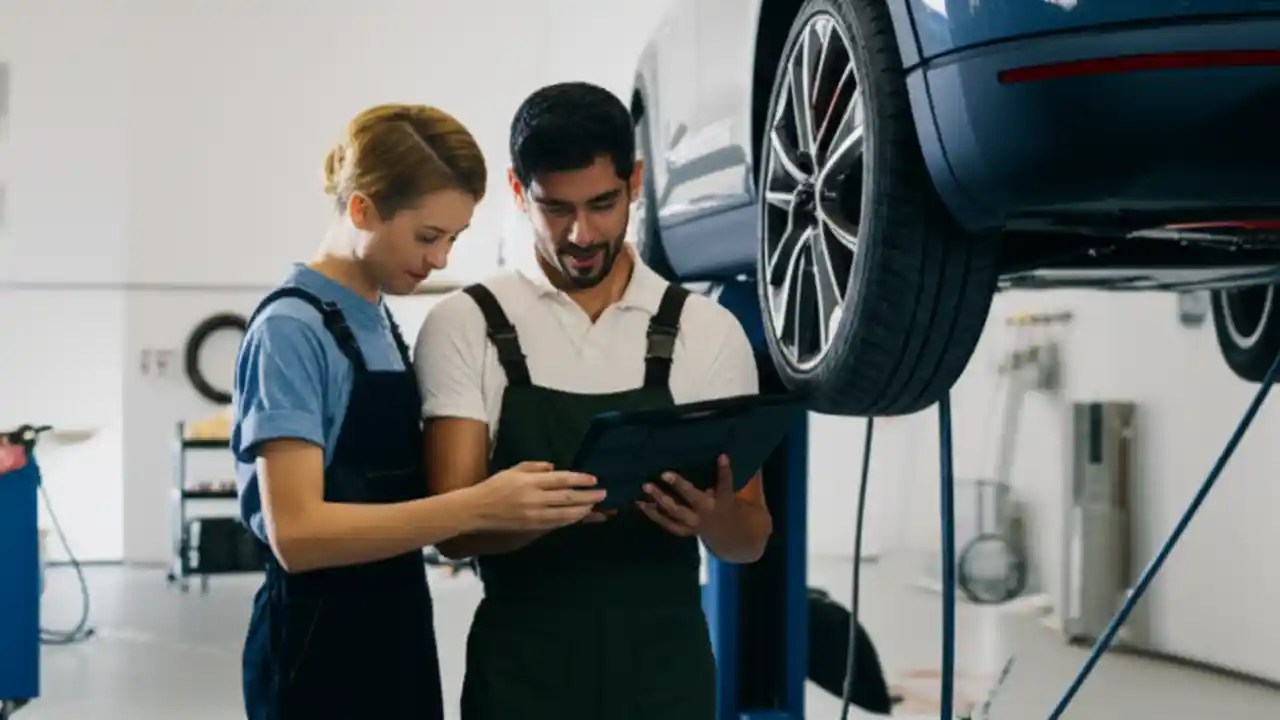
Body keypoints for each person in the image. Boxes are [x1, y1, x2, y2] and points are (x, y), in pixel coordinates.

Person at [231, 103, 606, 720]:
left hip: (395, 621)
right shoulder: (291, 331)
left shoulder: (375, 316)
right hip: (316, 646)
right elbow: (295, 534)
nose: (441, 259)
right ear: (361, 209)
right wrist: (478, 506)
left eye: (454, 238)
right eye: (428, 236)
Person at [414, 82, 774, 720]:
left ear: (635, 181)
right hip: (522, 682)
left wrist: (712, 521)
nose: (582, 233)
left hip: (667, 680)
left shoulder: (705, 331)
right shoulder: (466, 323)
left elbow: (750, 538)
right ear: (520, 192)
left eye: (604, 204)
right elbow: (451, 530)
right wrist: (530, 514)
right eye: (556, 208)